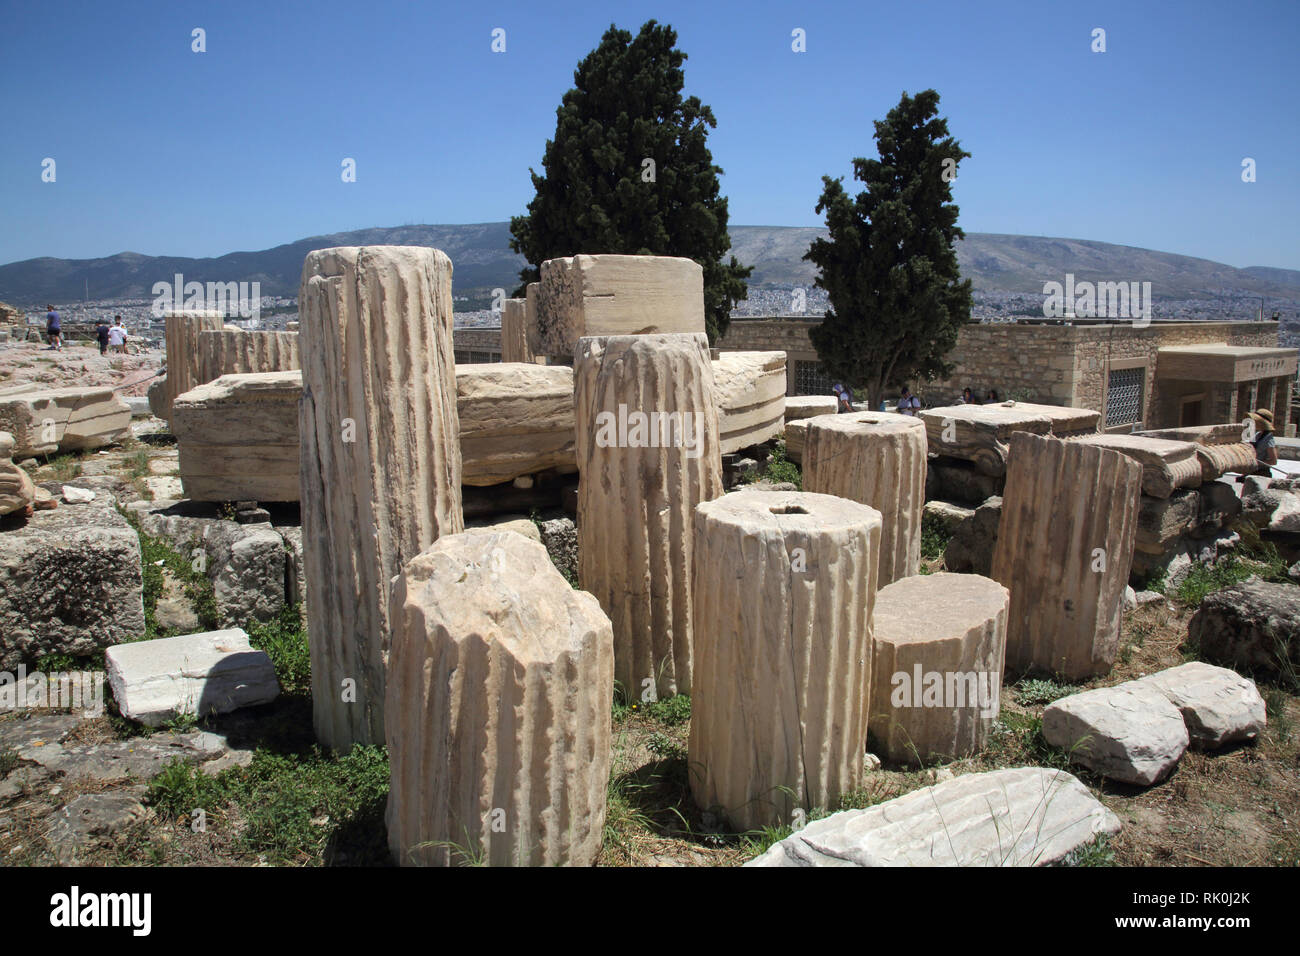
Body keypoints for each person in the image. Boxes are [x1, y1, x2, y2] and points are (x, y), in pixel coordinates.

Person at [1250, 407, 1278, 476]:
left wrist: (1256, 462)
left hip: (1261, 473)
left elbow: (1273, 461)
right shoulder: (1257, 435)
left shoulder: (1268, 438)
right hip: (1252, 470)